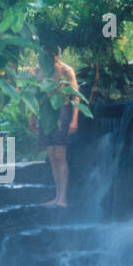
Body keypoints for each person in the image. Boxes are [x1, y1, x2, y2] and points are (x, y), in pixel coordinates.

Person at [33, 45, 79, 207]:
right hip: (46, 112)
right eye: (47, 56)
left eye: (53, 56)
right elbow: (36, 94)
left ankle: (63, 198)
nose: (51, 59)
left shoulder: (66, 70)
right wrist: (32, 116)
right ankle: (57, 196)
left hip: (62, 111)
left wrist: (74, 120)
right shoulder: (39, 70)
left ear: (58, 56)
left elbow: (76, 96)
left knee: (60, 155)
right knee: (52, 156)